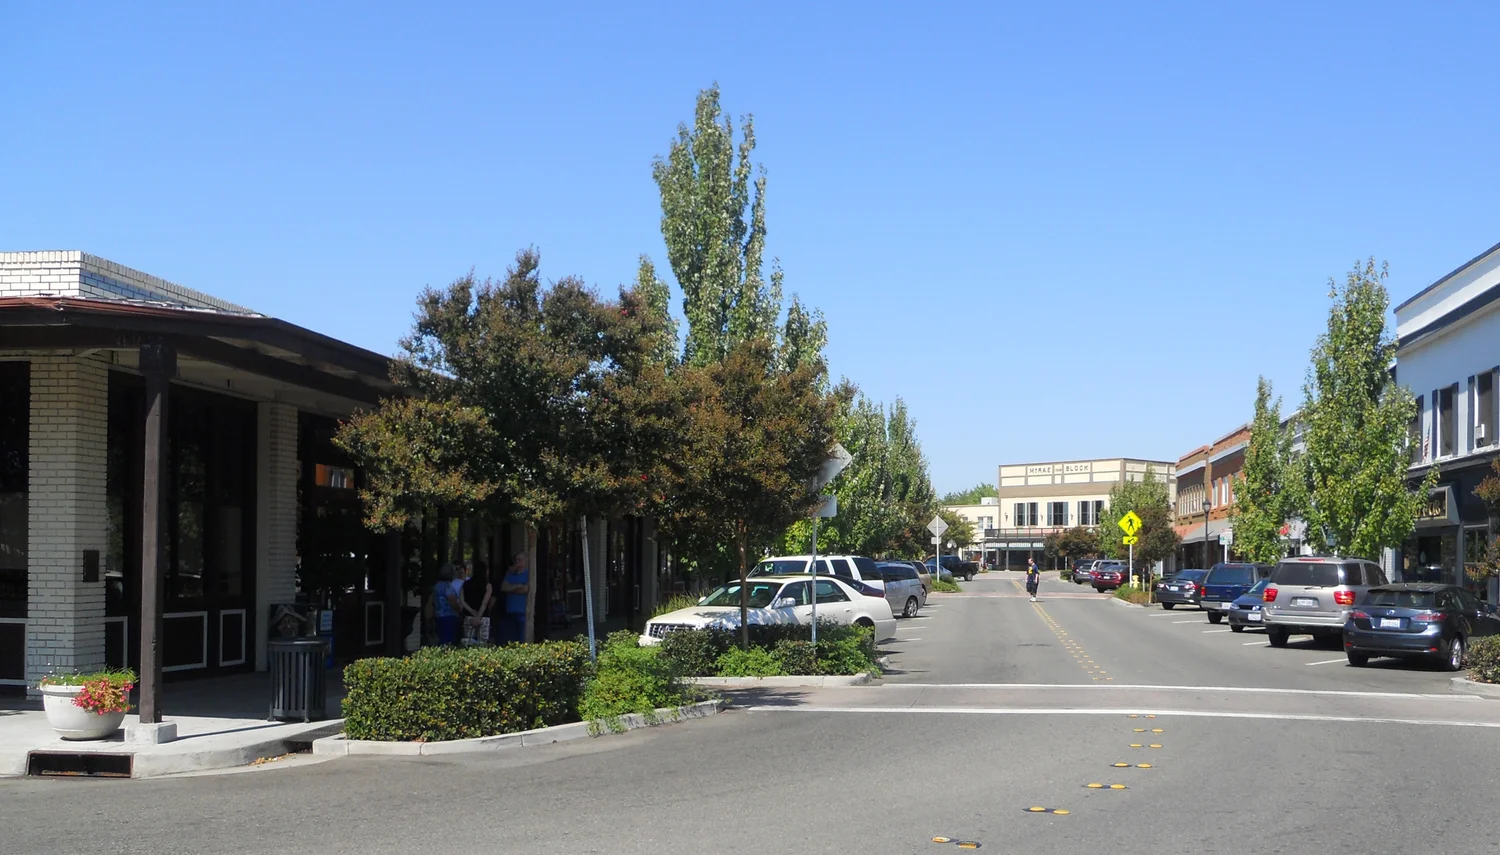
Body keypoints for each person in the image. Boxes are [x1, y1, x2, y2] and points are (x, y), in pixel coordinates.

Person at [497, 551, 530, 644]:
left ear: (525, 561)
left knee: (522, 640)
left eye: (520, 560)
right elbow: (503, 588)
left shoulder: (528, 574)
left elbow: (525, 589)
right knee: (510, 641)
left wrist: (511, 588)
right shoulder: (510, 574)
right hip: (510, 612)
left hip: (522, 612)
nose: (517, 562)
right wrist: (518, 586)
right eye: (516, 560)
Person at [462, 560, 493, 644]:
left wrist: (472, 611)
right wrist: (479, 616)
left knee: (468, 642)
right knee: (482, 643)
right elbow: (485, 602)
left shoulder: (465, 584)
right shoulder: (488, 586)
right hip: (483, 617)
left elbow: (462, 601)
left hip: (469, 616)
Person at [433, 564, 460, 645]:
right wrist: (459, 610)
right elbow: (452, 602)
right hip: (449, 616)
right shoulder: (447, 586)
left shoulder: (437, 585)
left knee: (442, 639)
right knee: (448, 641)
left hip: (438, 615)